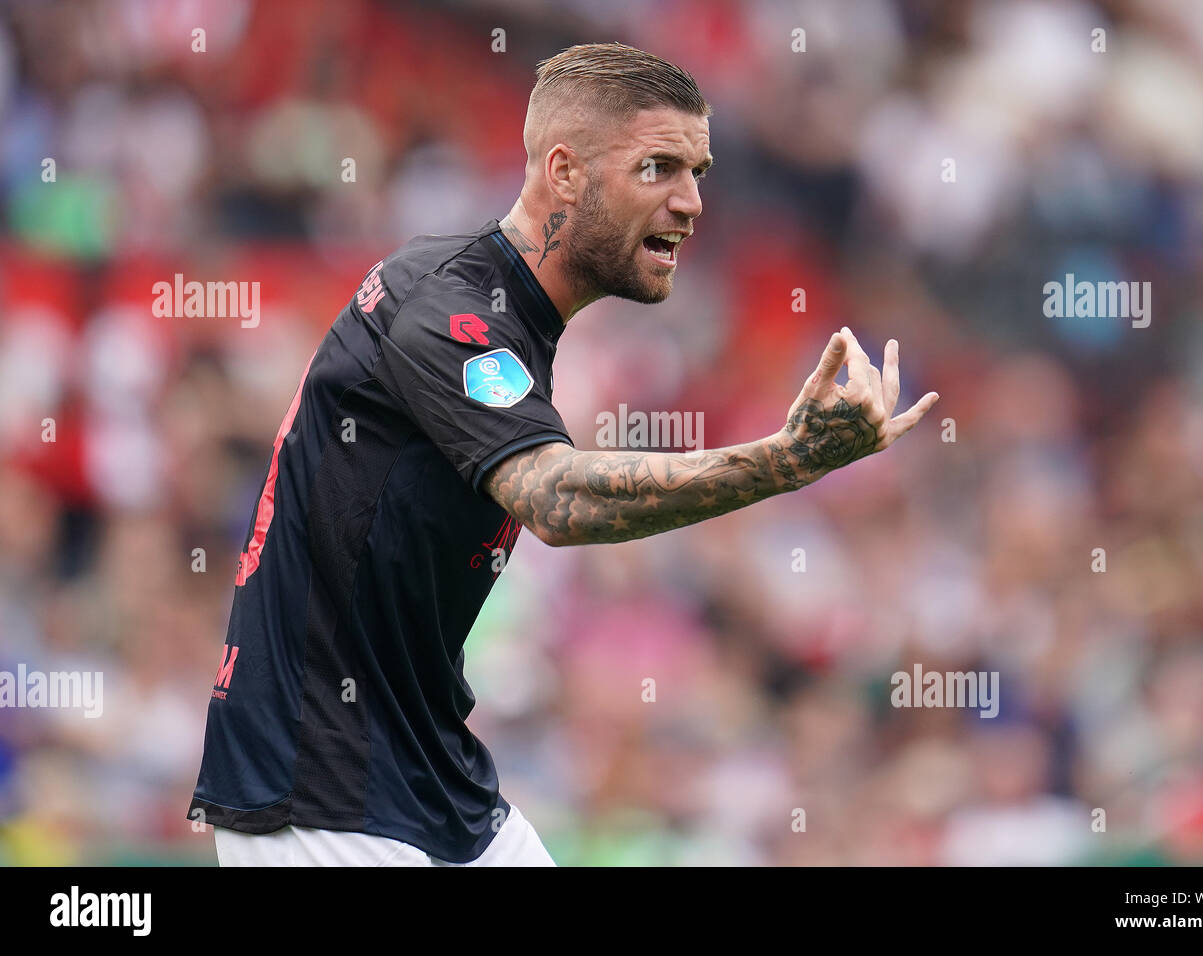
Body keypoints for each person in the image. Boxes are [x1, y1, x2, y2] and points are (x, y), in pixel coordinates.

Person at [189, 41, 939, 867]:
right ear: (566, 173)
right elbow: (557, 501)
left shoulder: (507, 317)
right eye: (659, 168)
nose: (691, 202)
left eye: (698, 171)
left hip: (431, 782)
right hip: (322, 798)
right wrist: (786, 461)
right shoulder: (446, 306)